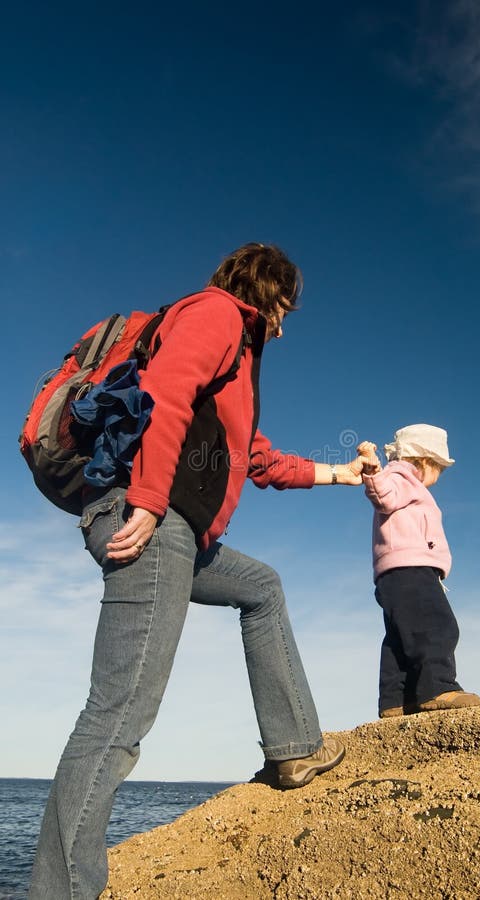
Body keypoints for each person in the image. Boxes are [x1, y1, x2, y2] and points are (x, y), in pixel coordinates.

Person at [29, 243, 362, 900]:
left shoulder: (237, 359)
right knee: (119, 712)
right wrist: (151, 500)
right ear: (266, 292)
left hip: (174, 531)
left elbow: (257, 459)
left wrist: (340, 473)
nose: (284, 327)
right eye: (284, 308)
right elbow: (165, 393)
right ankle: (59, 891)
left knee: (261, 587)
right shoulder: (216, 315)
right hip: (150, 520)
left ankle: (293, 749)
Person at [357, 424, 480, 718]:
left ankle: (396, 699)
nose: (438, 476)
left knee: (400, 636)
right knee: (437, 625)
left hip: (395, 573)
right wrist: (373, 472)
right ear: (424, 460)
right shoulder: (401, 476)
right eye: (439, 468)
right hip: (410, 568)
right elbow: (383, 496)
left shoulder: (402, 480)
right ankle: (438, 687)